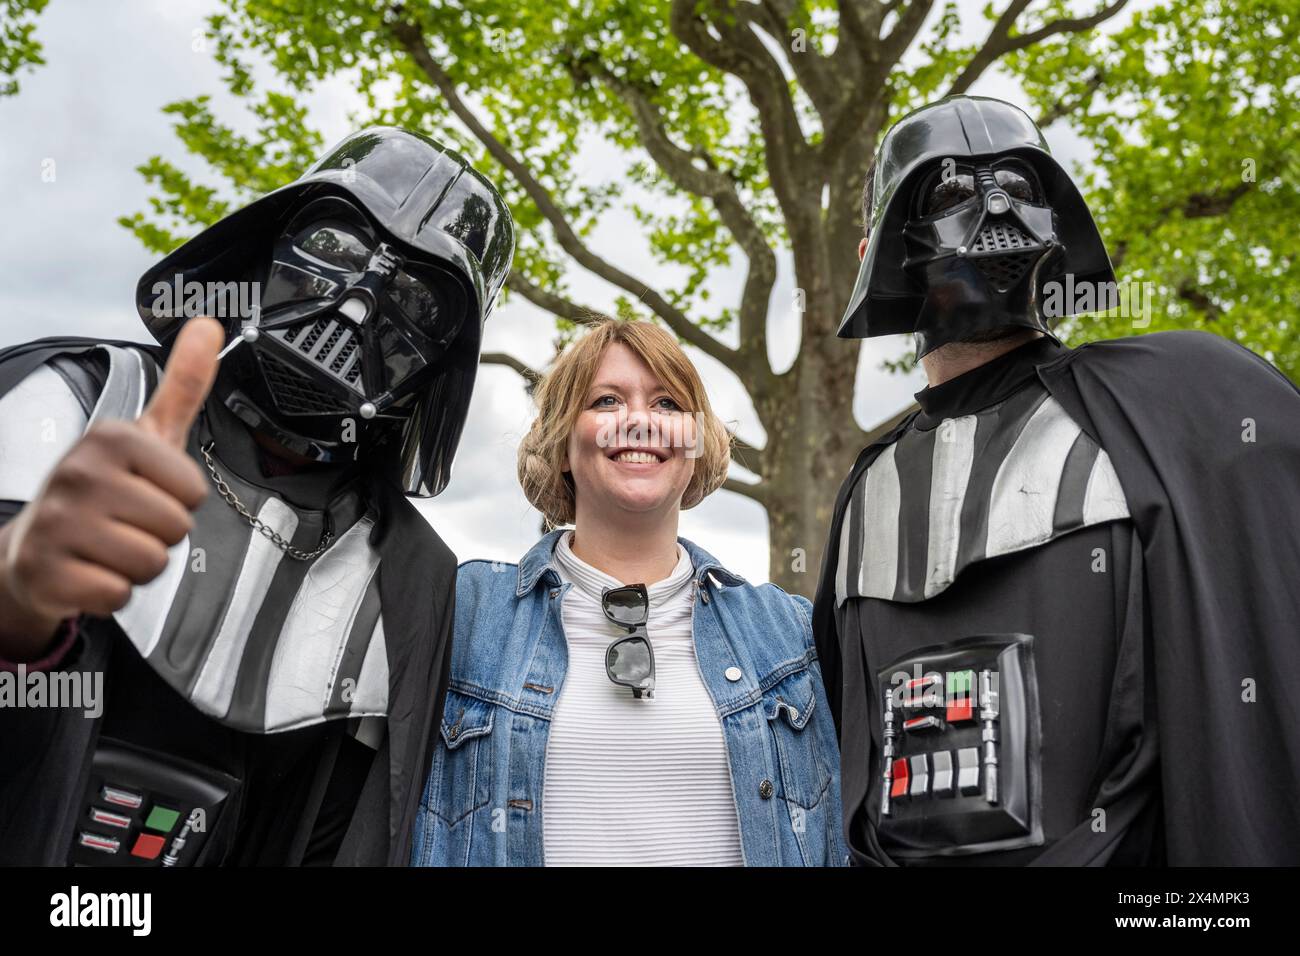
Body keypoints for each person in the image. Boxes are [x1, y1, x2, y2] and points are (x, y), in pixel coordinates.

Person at [0, 127, 514, 865]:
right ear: (268, 246)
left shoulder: (409, 584)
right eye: (335, 246)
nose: (357, 308)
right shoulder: (73, 403)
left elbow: (354, 830)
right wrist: (17, 604)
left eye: (416, 299)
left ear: (441, 365)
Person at [812, 95, 1300, 865]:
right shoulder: (870, 493)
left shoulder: (1187, 403)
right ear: (885, 246)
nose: (994, 208)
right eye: (950, 191)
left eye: (1017, 183)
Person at [411, 318, 846, 866]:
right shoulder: (463, 612)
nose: (639, 420)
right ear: (562, 444)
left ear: (696, 444)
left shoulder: (788, 632)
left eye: (667, 404)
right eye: (607, 401)